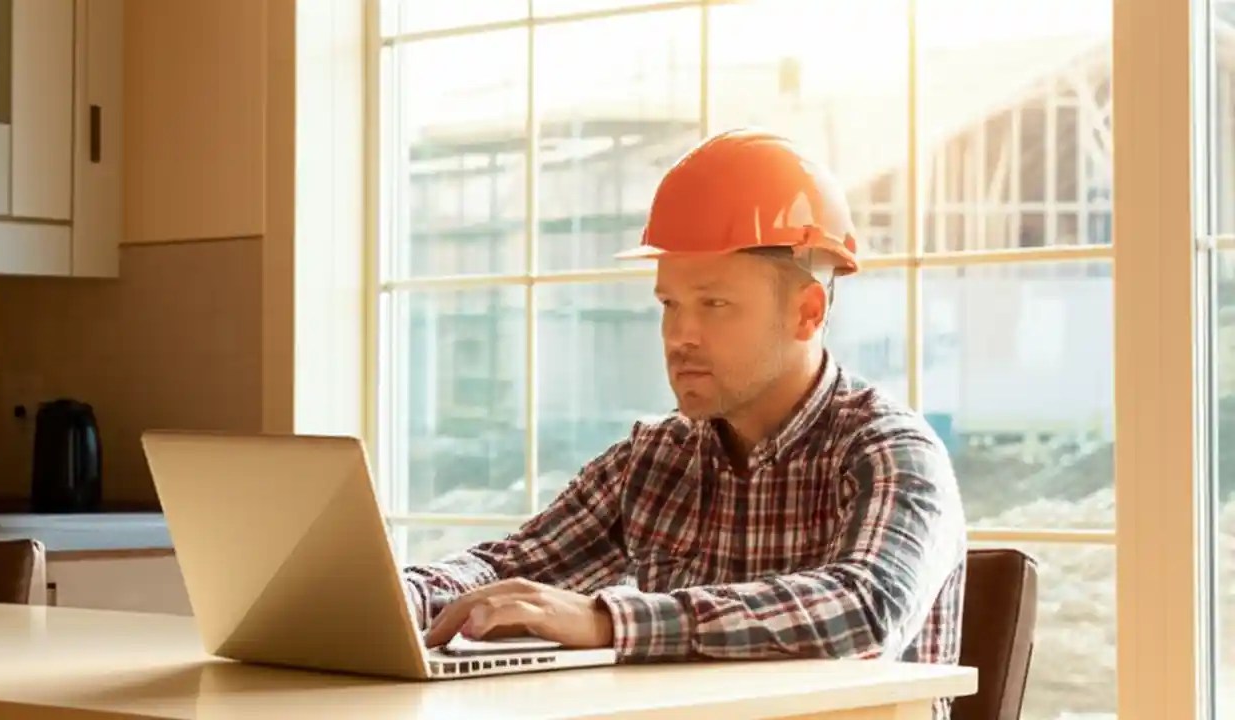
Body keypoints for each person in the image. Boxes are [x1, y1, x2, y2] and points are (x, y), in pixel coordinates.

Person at [403, 128, 967, 717]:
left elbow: (866, 609)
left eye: (714, 304)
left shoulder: (891, 451)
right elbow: (507, 569)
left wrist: (607, 620)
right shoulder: (656, 457)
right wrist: (388, 600)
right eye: (669, 305)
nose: (679, 337)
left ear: (807, 313)